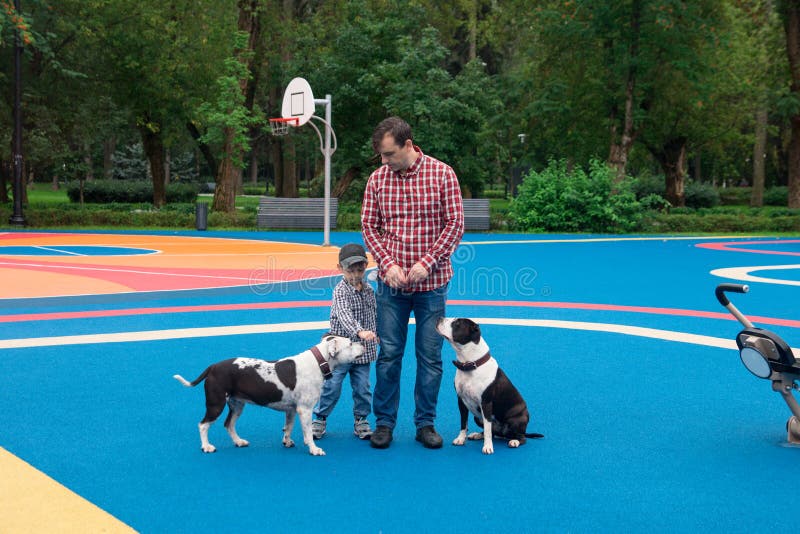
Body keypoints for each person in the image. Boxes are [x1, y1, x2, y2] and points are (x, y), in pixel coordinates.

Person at [361, 116, 464, 449]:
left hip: (431, 286)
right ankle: (384, 424)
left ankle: (425, 424)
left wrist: (426, 263)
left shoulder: (443, 173)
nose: (384, 161)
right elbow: (369, 227)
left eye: (389, 154)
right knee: (389, 355)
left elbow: (455, 225)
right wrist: (387, 264)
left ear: (408, 145)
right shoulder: (377, 180)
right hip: (391, 287)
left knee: (430, 356)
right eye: (380, 155)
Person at [312, 243, 379, 440]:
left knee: (363, 388)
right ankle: (320, 417)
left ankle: (361, 419)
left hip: (363, 351)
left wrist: (378, 333)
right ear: (340, 268)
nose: (355, 274)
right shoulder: (340, 291)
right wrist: (360, 331)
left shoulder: (368, 291)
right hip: (340, 352)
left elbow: (374, 314)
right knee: (331, 386)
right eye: (350, 270)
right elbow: (343, 315)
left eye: (360, 269)